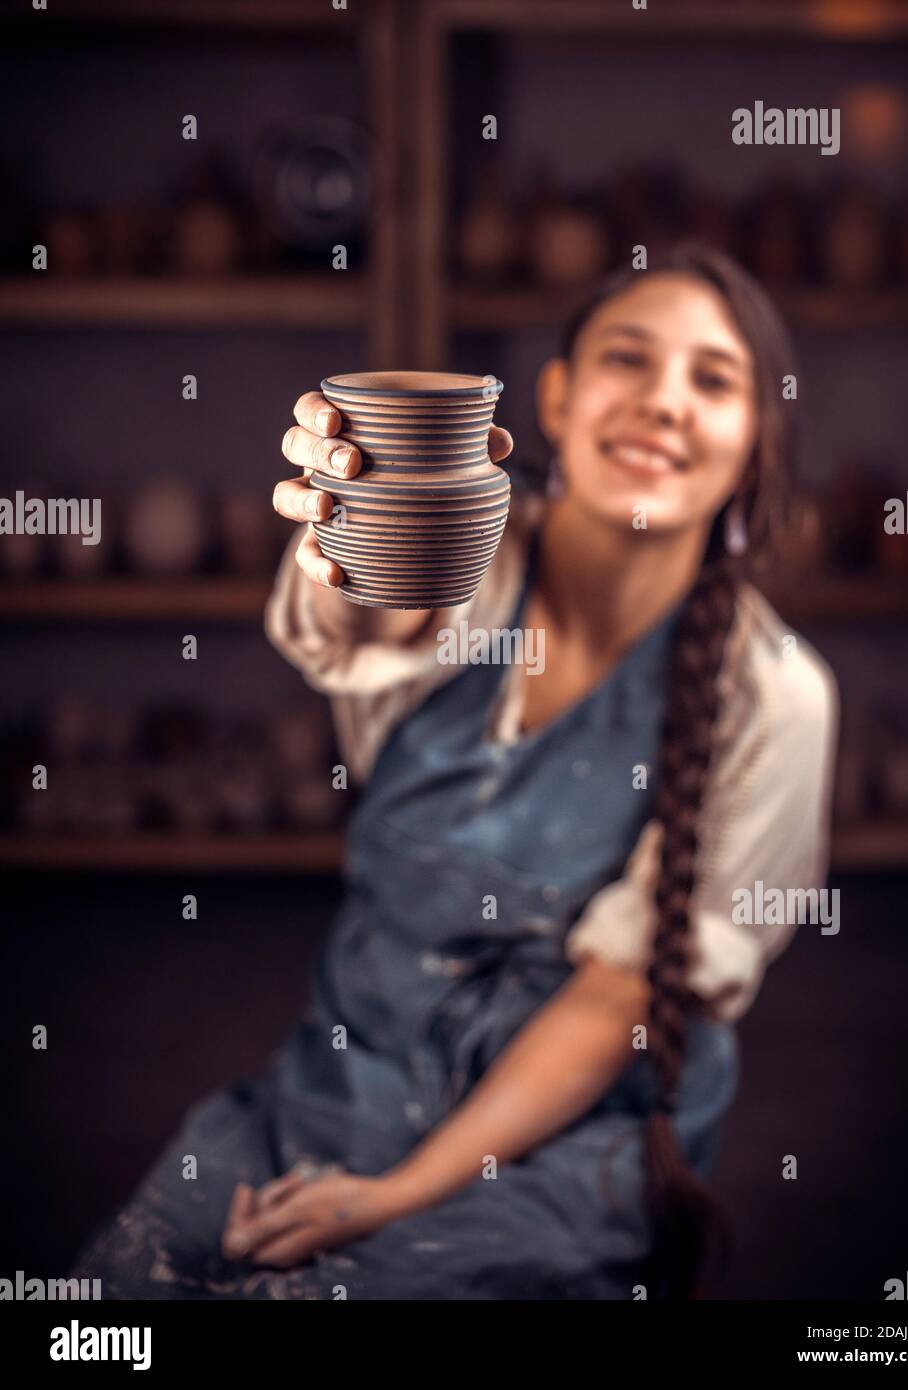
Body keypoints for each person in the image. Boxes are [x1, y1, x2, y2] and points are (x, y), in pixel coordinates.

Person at [69, 244, 838, 1300]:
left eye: (712, 379)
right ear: (557, 399)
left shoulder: (774, 695)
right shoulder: (467, 561)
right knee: (114, 1309)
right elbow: (375, 616)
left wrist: (398, 1195)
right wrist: (359, 516)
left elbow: (616, 991)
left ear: (755, 441)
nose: (663, 402)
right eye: (627, 359)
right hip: (349, 1074)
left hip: (570, 1128)